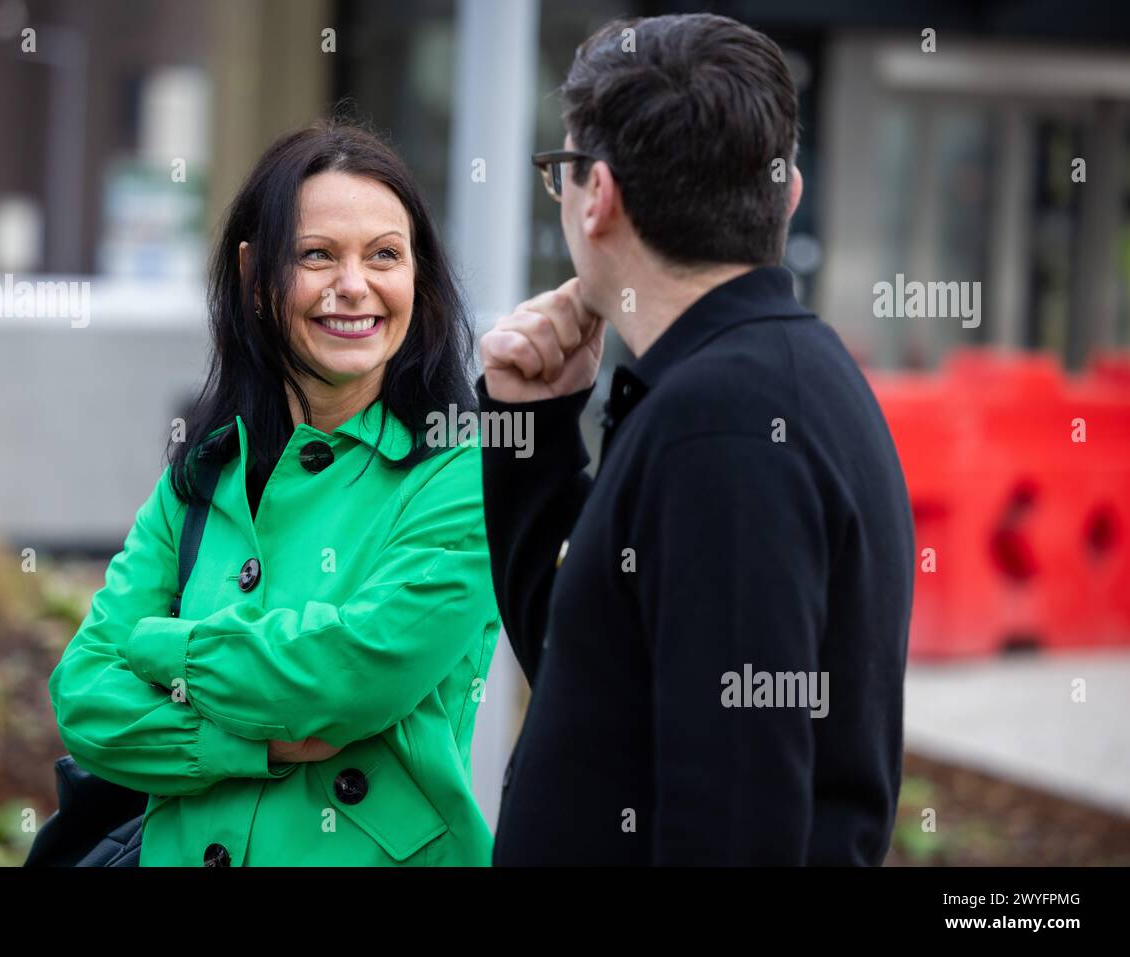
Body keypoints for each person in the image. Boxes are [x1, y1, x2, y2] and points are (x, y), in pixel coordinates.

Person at [478, 13, 915, 865]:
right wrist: (530, 427)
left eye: (559, 174)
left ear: (596, 195)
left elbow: (736, 825)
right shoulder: (752, 382)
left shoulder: (723, 427)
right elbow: (592, 674)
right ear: (786, 195)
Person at [49, 120, 501, 866]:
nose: (353, 286)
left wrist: (164, 648)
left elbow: (346, 674)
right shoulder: (201, 473)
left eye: (384, 255)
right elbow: (86, 695)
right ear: (257, 279)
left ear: (417, 277)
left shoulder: (460, 475)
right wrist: (248, 741)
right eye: (317, 255)